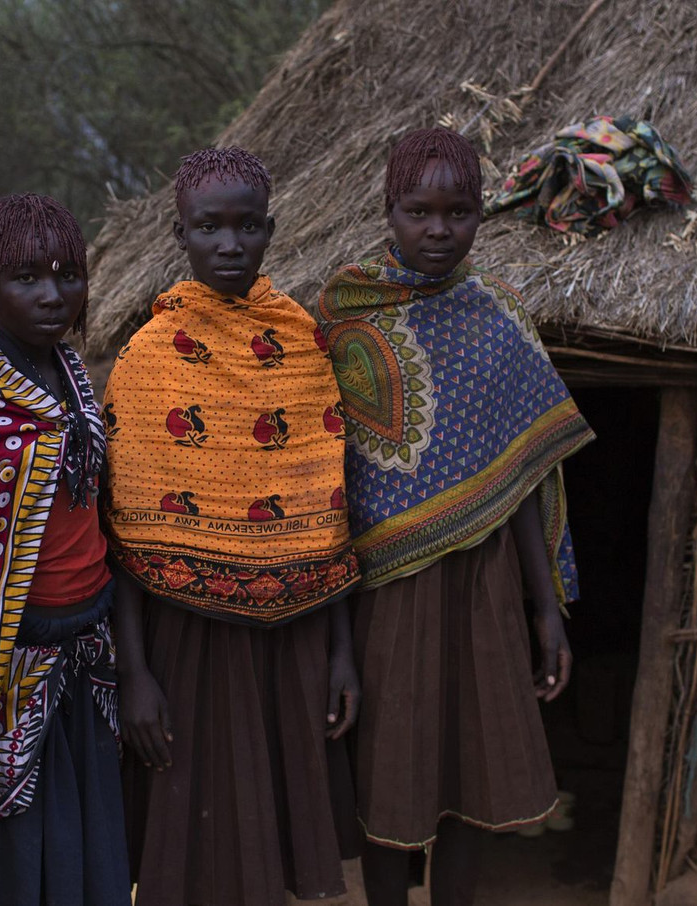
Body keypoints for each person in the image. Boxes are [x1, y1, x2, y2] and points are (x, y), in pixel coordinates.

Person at [308, 126, 596, 906]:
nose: (439, 230)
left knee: (473, 760)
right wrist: (333, 637)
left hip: (484, 587)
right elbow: (323, 488)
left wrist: (546, 612)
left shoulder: (497, 315)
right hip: (385, 593)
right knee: (388, 765)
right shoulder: (342, 316)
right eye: (419, 211)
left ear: (480, 215)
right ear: (388, 211)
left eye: (459, 212)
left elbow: (528, 473)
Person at [105, 146, 362, 906]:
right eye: (209, 228)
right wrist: (134, 673)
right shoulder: (148, 358)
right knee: (189, 848)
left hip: (295, 639)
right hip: (184, 645)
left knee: (271, 844)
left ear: (270, 230)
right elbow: (121, 536)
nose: (229, 245)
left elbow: (328, 511)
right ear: (180, 235)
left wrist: (344, 654)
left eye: (246, 227)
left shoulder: (304, 347)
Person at [0, 193, 129, 906]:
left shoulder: (76, 383)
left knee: (88, 850)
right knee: (14, 862)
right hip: (3, 685)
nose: (52, 295)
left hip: (86, 657)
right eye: (26, 277)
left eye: (68, 275)